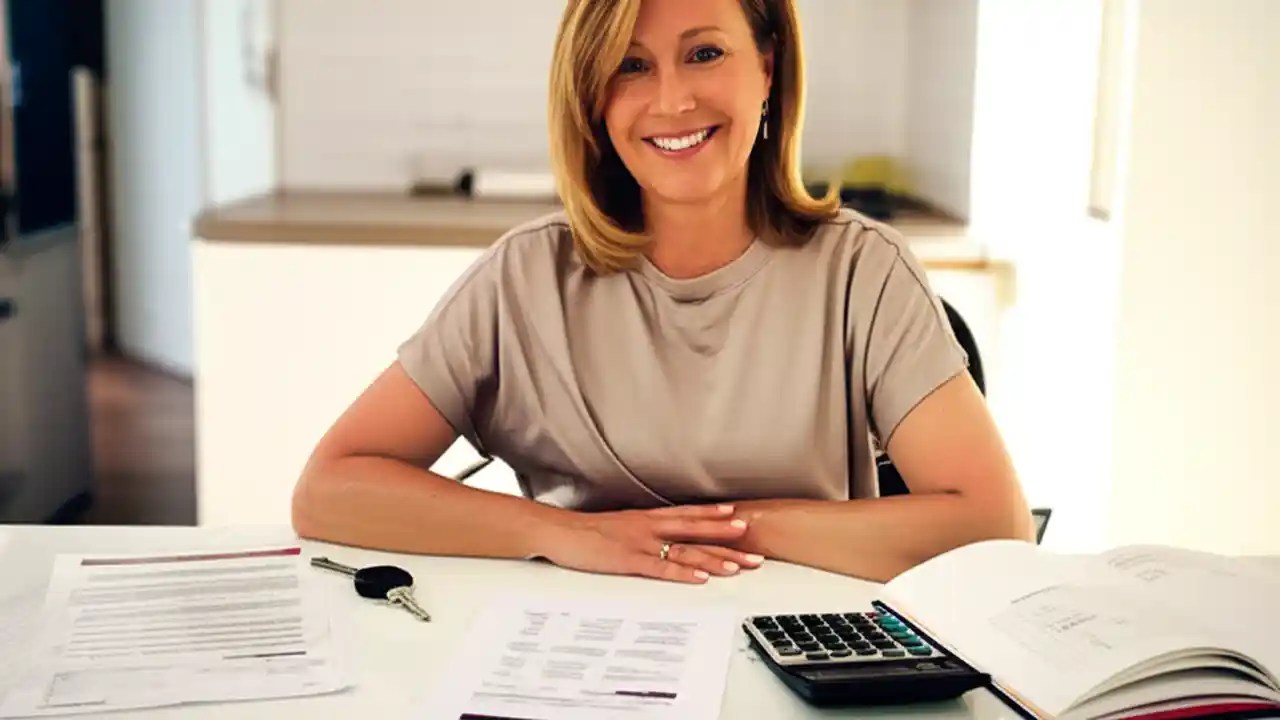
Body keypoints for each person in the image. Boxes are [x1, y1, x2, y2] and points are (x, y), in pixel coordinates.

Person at [291, 0, 1034, 585]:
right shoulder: (524, 279)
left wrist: (720, 529)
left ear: (767, 67)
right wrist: (566, 534)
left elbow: (996, 525)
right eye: (631, 66)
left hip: (802, 644)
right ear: (593, 96)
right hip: (577, 647)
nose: (672, 100)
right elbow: (330, 489)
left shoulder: (862, 271)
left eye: (705, 53)